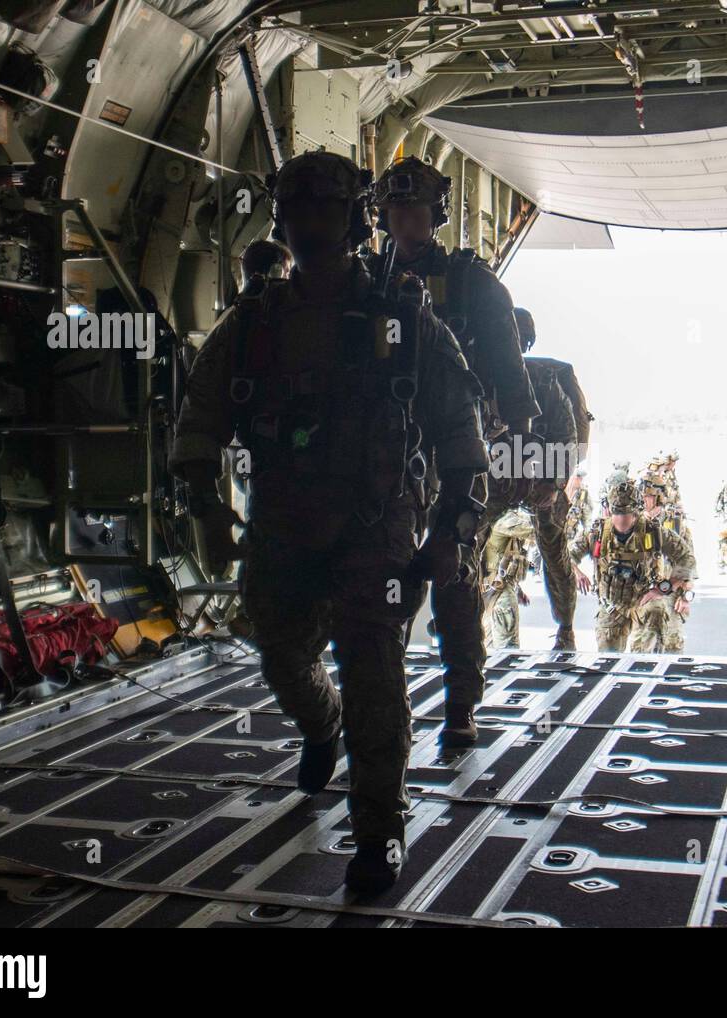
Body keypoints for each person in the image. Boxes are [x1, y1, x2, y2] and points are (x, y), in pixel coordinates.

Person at [170, 151, 488, 895]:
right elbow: (200, 418)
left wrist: (450, 533)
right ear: (284, 219)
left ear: (351, 221)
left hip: (374, 527)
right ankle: (321, 726)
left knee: (375, 680)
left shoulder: (403, 315)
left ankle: (378, 833)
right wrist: (207, 507)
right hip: (282, 524)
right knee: (282, 656)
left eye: (326, 210)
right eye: (299, 210)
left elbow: (459, 434)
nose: (312, 224)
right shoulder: (254, 323)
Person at [368, 155, 540, 747]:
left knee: (454, 571)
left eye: (413, 208)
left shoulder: (472, 283)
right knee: (378, 575)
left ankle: (461, 702)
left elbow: (509, 373)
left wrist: (514, 453)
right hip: (386, 452)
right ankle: (376, 703)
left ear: (435, 214)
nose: (403, 219)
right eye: (394, 208)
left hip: (454, 448)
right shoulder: (367, 281)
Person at [514, 306, 587, 650]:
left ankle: (566, 626)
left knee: (553, 550)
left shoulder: (546, 380)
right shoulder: (482, 374)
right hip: (500, 473)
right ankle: (466, 618)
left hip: (543, 475)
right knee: (466, 537)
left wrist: (555, 484)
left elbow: (570, 437)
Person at [571, 479, 695, 653]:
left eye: (626, 514)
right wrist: (576, 572)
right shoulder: (597, 532)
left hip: (644, 603)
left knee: (642, 657)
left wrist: (664, 589)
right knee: (608, 659)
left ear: (637, 512)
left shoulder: (653, 530)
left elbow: (686, 557)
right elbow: (566, 556)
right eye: (617, 513)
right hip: (611, 605)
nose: (621, 519)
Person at [636, 468, 696, 652]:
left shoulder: (676, 524)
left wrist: (685, 596)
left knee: (672, 647)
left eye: (647, 495)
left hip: (671, 593)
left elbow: (689, 562)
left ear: (659, 496)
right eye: (641, 495)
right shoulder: (633, 522)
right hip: (643, 595)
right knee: (640, 649)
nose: (643, 499)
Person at [481, 508, 536, 649]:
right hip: (501, 594)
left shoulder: (489, 515)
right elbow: (537, 531)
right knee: (507, 651)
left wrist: (518, 590)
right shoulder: (503, 517)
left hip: (490, 591)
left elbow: (500, 561)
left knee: (489, 651)